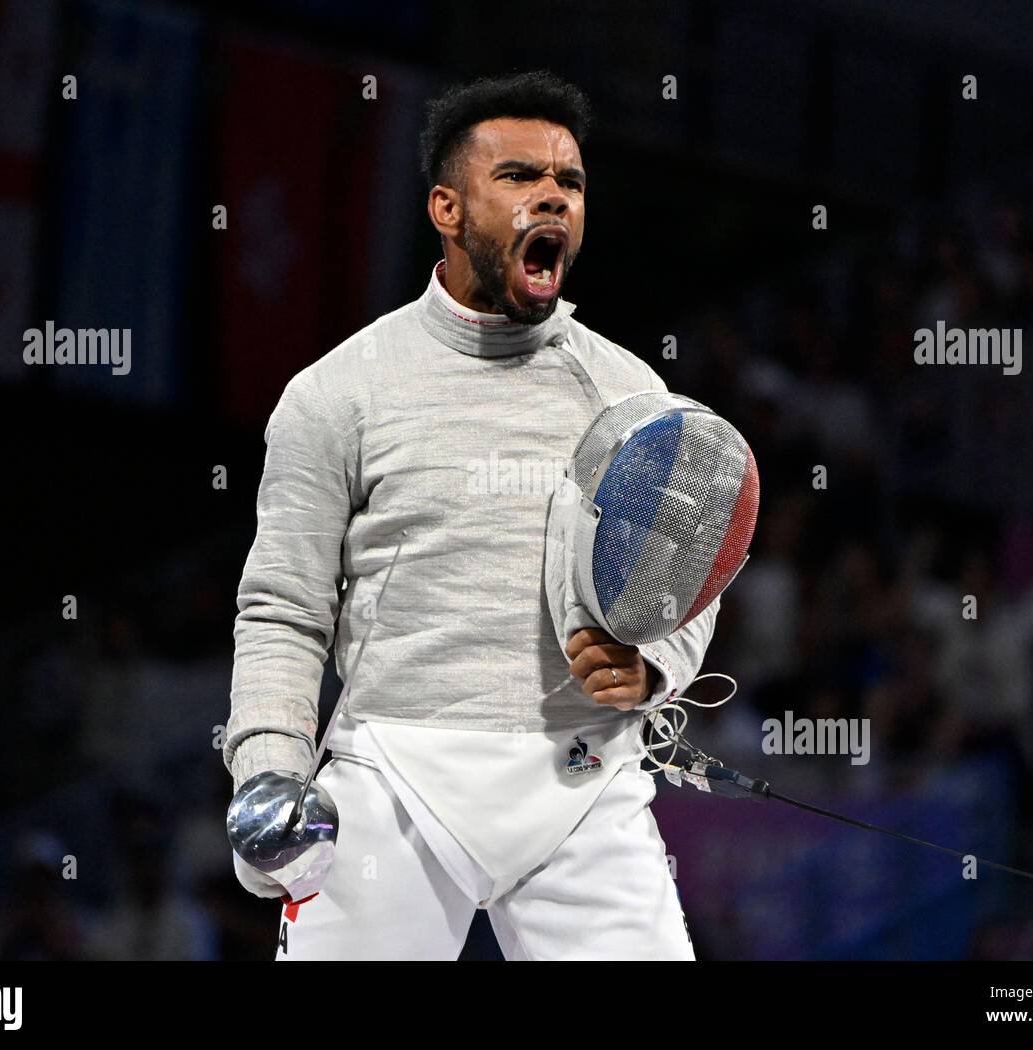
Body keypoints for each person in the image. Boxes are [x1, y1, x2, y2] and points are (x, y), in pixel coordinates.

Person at [224, 71, 717, 960]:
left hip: (583, 780)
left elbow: (689, 575)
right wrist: (269, 770)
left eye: (568, 183)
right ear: (448, 210)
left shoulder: (631, 392)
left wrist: (653, 669)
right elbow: (283, 609)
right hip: (393, 781)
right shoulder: (339, 392)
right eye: (521, 177)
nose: (554, 200)